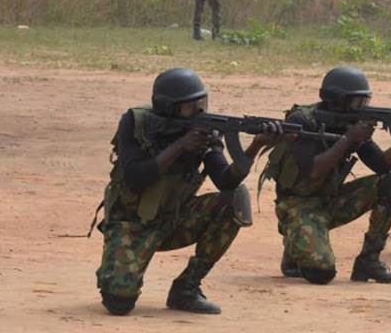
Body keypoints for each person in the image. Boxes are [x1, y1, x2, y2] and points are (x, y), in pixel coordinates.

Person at [93, 68, 281, 316]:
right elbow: (135, 178)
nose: (199, 111)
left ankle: (187, 288)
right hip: (131, 224)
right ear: (169, 108)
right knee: (118, 303)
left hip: (174, 219)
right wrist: (180, 147)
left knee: (234, 199)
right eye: (189, 107)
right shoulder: (136, 123)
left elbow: (226, 181)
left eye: (201, 103)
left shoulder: (204, 132)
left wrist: (255, 147)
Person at [261, 66, 391, 285]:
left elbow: (382, 166)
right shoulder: (303, 121)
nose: (363, 107)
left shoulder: (350, 124)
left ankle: (369, 262)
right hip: (297, 205)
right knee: (321, 274)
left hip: (330, 200)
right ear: (338, 100)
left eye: (365, 102)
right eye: (357, 102)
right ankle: (295, 247)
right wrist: (348, 139)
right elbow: (313, 171)